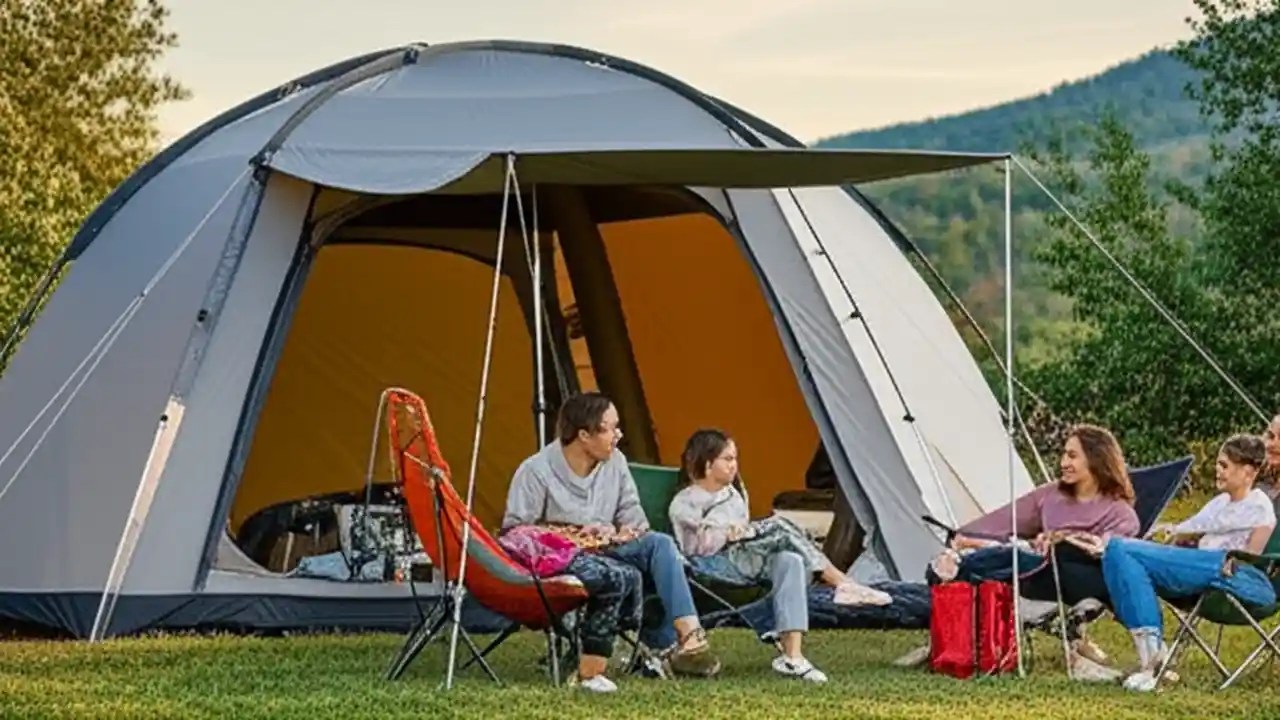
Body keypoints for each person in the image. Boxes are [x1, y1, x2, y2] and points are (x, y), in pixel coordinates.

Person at [502, 392, 722, 687]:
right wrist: (572, 534)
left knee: (660, 544)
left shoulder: (615, 462)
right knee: (632, 569)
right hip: (568, 560)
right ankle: (658, 646)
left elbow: (634, 517)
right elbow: (516, 533)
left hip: (611, 548)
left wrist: (614, 533)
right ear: (584, 435)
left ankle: (691, 640)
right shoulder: (536, 471)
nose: (619, 435)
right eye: (611, 428)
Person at [900, 424, 1141, 678]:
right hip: (1033, 571)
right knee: (979, 563)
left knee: (1009, 557)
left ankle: (949, 608)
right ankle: (947, 641)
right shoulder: (1052, 495)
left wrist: (1064, 540)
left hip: (1073, 580)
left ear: (1096, 459)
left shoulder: (1120, 513)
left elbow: (1105, 549)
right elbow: (1007, 519)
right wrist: (963, 536)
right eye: (1063, 454)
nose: (1063, 462)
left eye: (1072, 456)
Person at [668, 429, 892, 683]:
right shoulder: (684, 503)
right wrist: (726, 533)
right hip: (712, 566)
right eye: (728, 459)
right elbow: (697, 549)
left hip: (742, 557)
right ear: (708, 464)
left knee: (790, 559)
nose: (734, 465)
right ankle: (843, 583)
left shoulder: (732, 496)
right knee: (779, 526)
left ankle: (793, 657)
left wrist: (742, 532)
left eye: (735, 458)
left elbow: (740, 529)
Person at [1073, 434, 1277, 692]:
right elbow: (1187, 529)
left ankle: (1152, 662)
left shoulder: (1259, 505)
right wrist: (1174, 537)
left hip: (1236, 578)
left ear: (1247, 472)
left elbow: (1250, 557)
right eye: (1218, 463)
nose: (1217, 469)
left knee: (1119, 548)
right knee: (1120, 555)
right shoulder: (1220, 503)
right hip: (1201, 570)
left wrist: (1184, 537)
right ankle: (1152, 660)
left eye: (1225, 465)